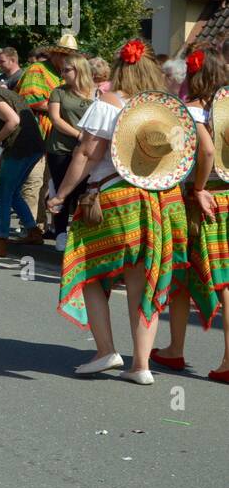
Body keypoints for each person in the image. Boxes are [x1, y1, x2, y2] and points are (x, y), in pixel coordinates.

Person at [49, 40, 190, 385]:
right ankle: (141, 365)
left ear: (119, 70)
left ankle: (106, 350)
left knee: (89, 269)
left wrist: (61, 195)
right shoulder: (165, 108)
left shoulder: (109, 103)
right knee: (143, 281)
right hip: (160, 200)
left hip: (115, 198)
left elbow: (87, 153)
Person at [153, 48, 229, 383]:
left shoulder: (194, 111)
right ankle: (176, 349)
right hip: (226, 194)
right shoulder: (225, 108)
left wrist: (198, 188)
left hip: (201, 198)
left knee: (207, 277)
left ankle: (216, 356)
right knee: (202, 275)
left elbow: (208, 150)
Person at [0, 71, 45, 257]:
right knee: (13, 192)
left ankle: (0, 242)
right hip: (34, 147)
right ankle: (33, 231)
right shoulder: (7, 92)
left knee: (3, 193)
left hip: (20, 149)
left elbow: (13, 120)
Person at [17, 35, 72, 236]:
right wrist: (60, 108)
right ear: (55, 54)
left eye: (71, 57)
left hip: (58, 139)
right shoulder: (37, 70)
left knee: (51, 185)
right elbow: (28, 100)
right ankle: (31, 228)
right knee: (33, 182)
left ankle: (44, 226)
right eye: (65, 56)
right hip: (36, 135)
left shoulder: (67, 74)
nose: (67, 61)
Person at [46, 53, 96, 250]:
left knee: (83, 192)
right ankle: (60, 233)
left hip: (87, 152)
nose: (63, 73)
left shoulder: (95, 92)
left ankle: (80, 233)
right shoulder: (59, 92)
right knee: (61, 190)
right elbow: (55, 119)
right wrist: (78, 135)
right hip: (61, 149)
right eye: (62, 70)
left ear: (79, 70)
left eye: (67, 70)